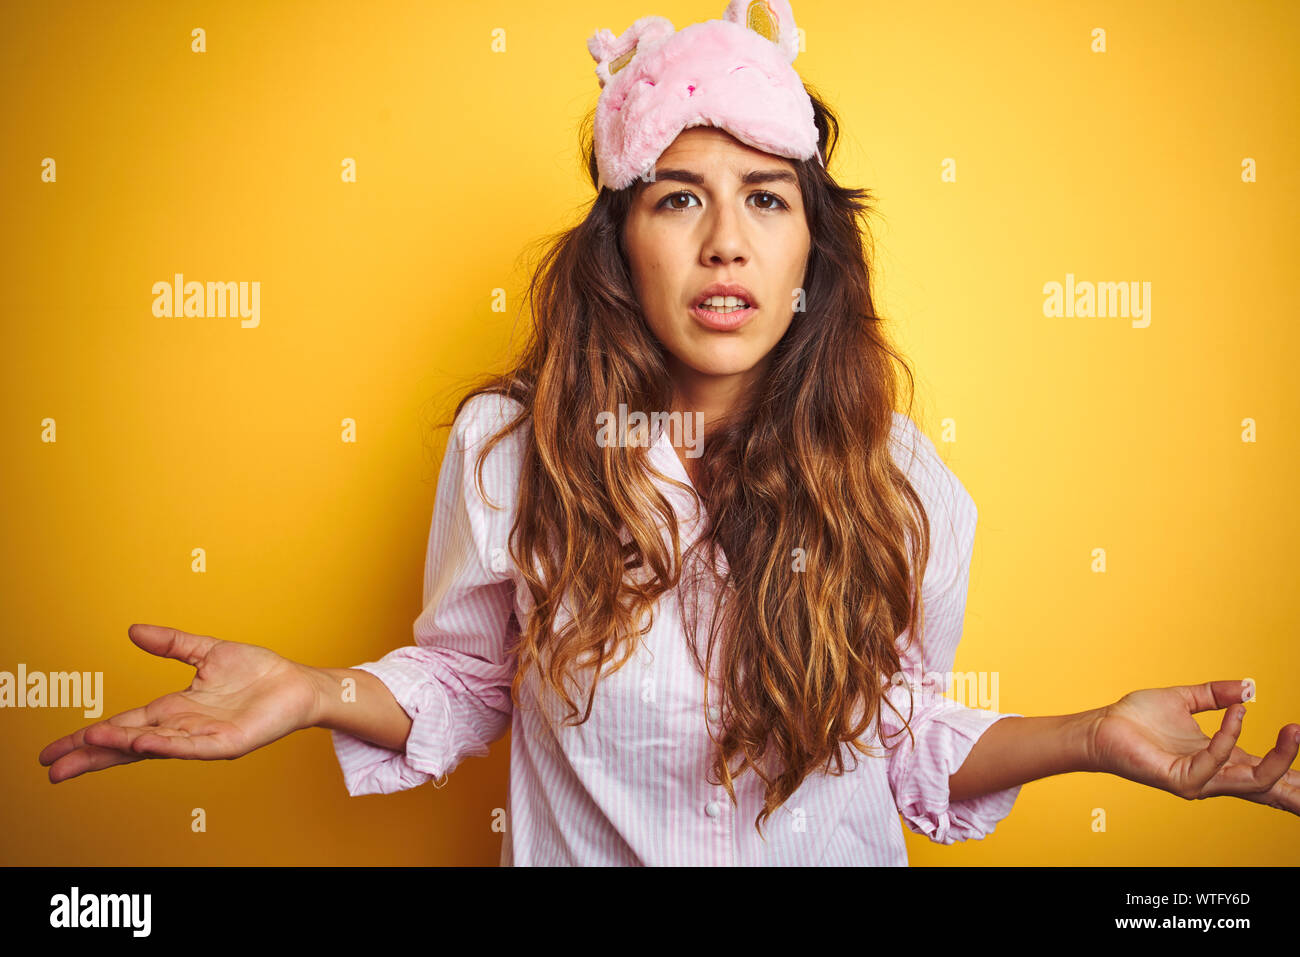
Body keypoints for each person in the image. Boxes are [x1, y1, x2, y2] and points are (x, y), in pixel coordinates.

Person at [39, 0, 1300, 865]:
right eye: (677, 198)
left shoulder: (898, 478)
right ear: (619, 244)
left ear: (814, 246)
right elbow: (473, 680)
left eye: (765, 199)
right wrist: (317, 692)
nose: (724, 242)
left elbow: (900, 728)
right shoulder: (509, 450)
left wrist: (1092, 740)